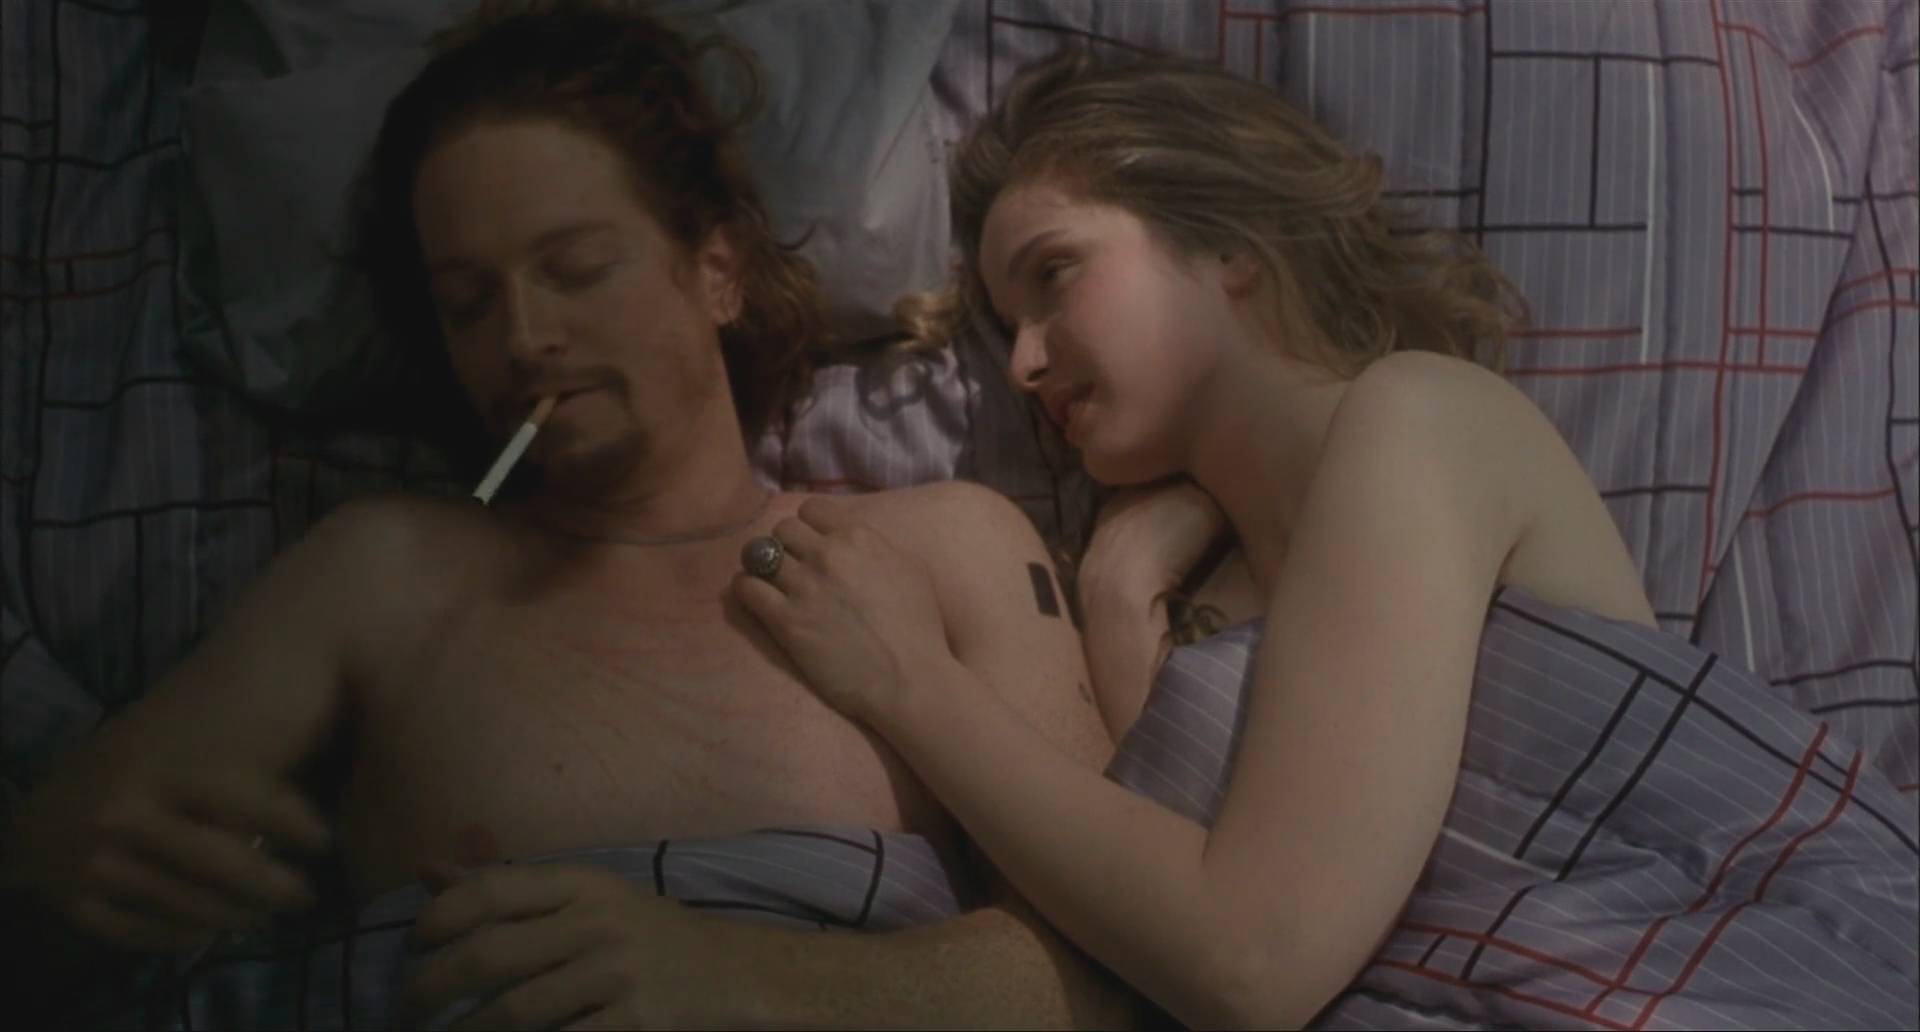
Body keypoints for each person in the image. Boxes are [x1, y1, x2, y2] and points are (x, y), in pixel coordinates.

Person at [0, 4, 1140, 1027]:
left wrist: (751, 977)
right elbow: (63, 924)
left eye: (577, 267)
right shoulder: (382, 573)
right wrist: (39, 876)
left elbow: (1122, 971)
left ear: (718, 270)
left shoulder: (948, 547)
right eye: (468, 302)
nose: (524, 337)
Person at [732, 48, 1663, 1029]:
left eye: (1055, 274)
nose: (1024, 365)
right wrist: (1118, 607)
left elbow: (1250, 962)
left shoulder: (1432, 420)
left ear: (1230, 243)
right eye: (1009, 328)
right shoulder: (1169, 593)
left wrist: (905, 680)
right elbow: (1157, 945)